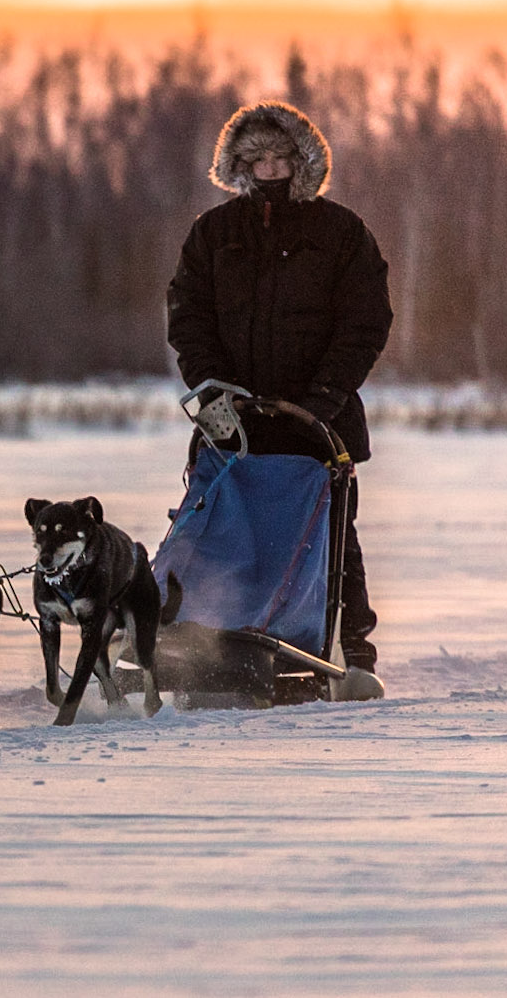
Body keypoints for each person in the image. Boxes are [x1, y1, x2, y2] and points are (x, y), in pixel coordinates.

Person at [166, 100, 393, 699]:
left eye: (280, 157)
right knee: (220, 533)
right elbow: (188, 317)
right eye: (255, 158)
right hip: (232, 423)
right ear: (236, 166)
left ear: (304, 161)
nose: (269, 168)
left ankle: (349, 653)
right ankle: (206, 640)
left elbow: (366, 322)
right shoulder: (213, 234)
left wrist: (324, 397)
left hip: (319, 422)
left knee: (331, 537)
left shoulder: (340, 232)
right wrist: (212, 388)